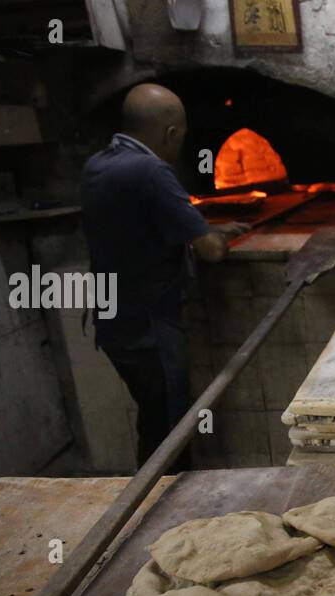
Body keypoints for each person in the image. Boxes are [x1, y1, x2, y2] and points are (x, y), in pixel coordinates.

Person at [80, 83, 248, 469]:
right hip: (150, 328)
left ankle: (152, 502)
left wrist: (201, 227)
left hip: (113, 324)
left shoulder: (98, 164)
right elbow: (211, 251)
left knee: (154, 419)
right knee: (170, 431)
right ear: (171, 133)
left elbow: (141, 226)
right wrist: (217, 238)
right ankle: (163, 510)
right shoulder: (152, 170)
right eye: (181, 138)